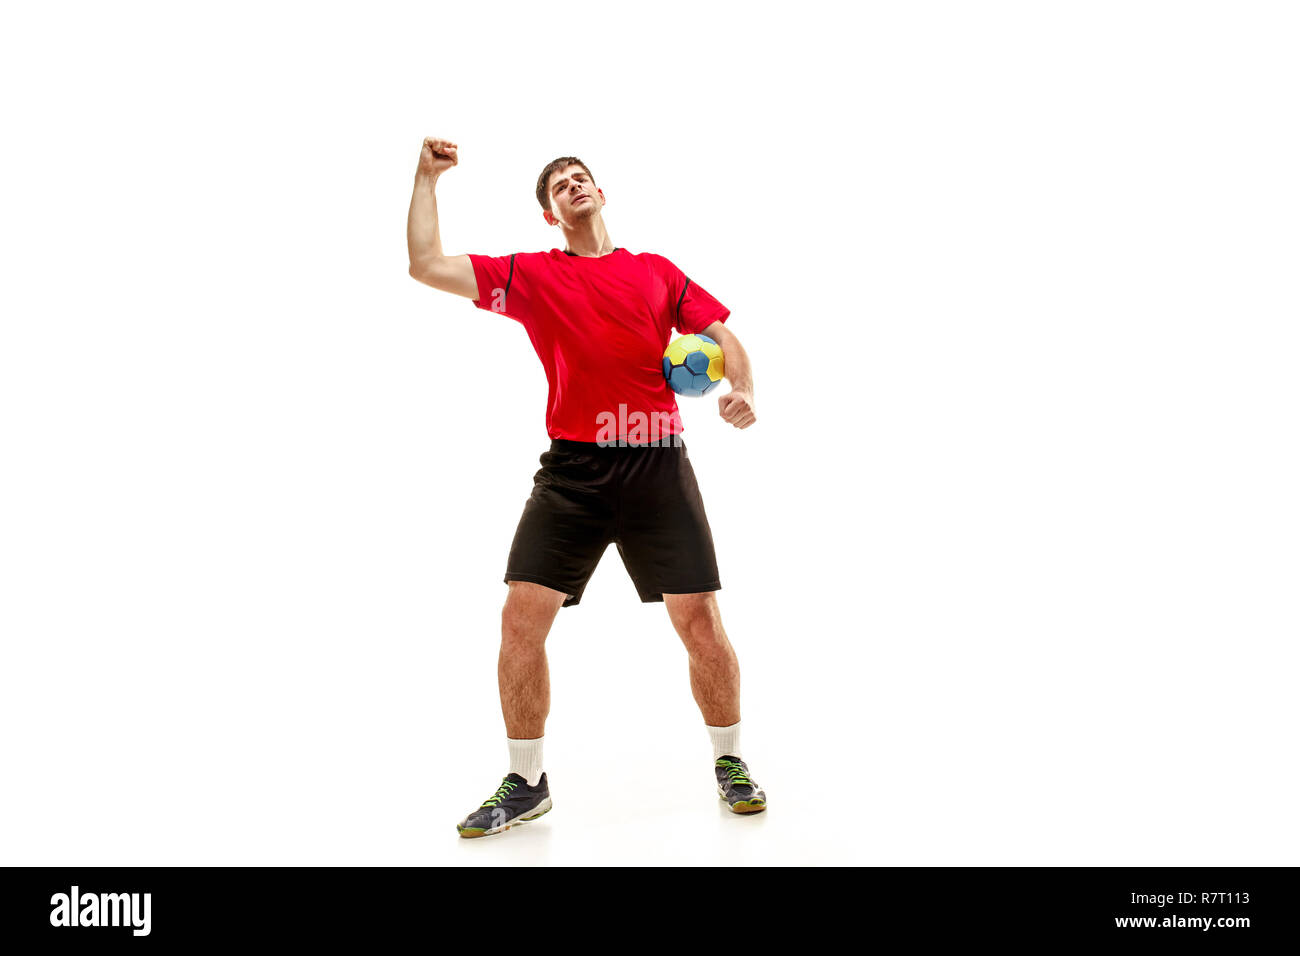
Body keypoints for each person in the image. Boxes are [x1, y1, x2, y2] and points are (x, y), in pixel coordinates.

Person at [406, 137, 766, 838]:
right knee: (520, 619)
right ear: (549, 214)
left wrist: (742, 388)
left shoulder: (657, 272)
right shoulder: (533, 276)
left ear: (600, 194)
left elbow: (723, 335)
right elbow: (424, 264)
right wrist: (426, 180)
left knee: (699, 621)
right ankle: (526, 781)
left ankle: (730, 761)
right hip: (572, 473)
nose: (574, 185)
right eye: (559, 184)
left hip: (657, 464)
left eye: (582, 177)